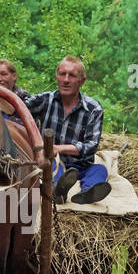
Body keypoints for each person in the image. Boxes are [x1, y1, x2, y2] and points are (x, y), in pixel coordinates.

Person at [23, 57, 111, 205]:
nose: (66, 80)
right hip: (51, 161)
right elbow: (18, 108)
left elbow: (91, 146)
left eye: (72, 75)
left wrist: (59, 148)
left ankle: (88, 193)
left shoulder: (93, 108)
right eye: (62, 74)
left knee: (100, 170)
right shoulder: (45, 100)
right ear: (57, 76)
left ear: (82, 81)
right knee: (53, 168)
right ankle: (58, 190)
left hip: (81, 165)